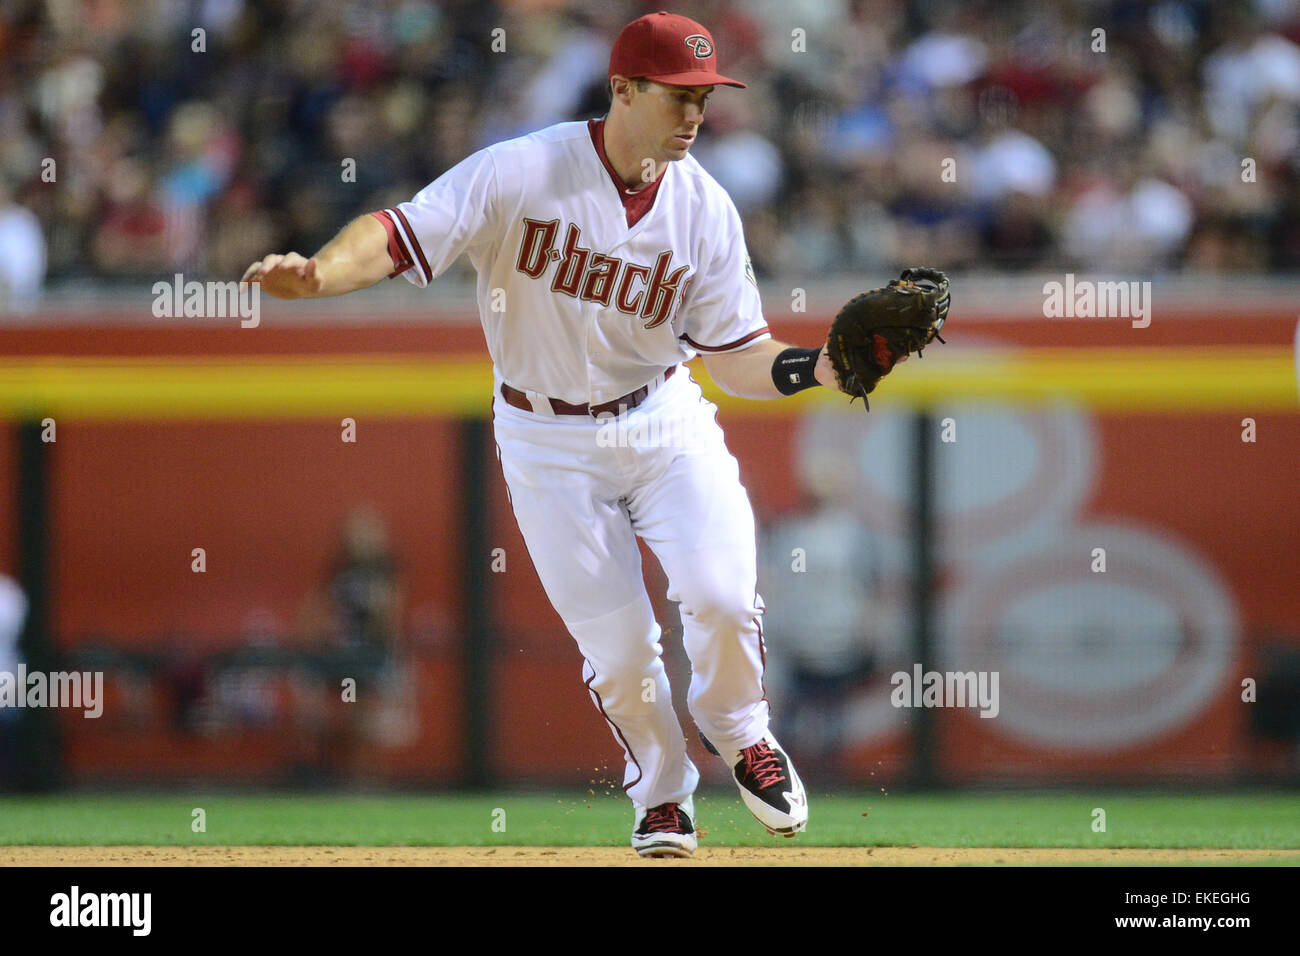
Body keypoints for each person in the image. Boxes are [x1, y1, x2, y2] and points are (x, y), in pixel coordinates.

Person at [243, 12, 845, 858]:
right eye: (678, 96)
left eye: (705, 98)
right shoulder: (525, 169)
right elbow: (401, 230)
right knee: (624, 651)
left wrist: (822, 366)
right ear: (624, 90)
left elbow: (739, 356)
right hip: (544, 437)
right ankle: (665, 796)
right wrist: (322, 273)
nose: (695, 116)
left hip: (664, 418)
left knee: (718, 593)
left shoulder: (706, 208)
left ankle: (741, 730)